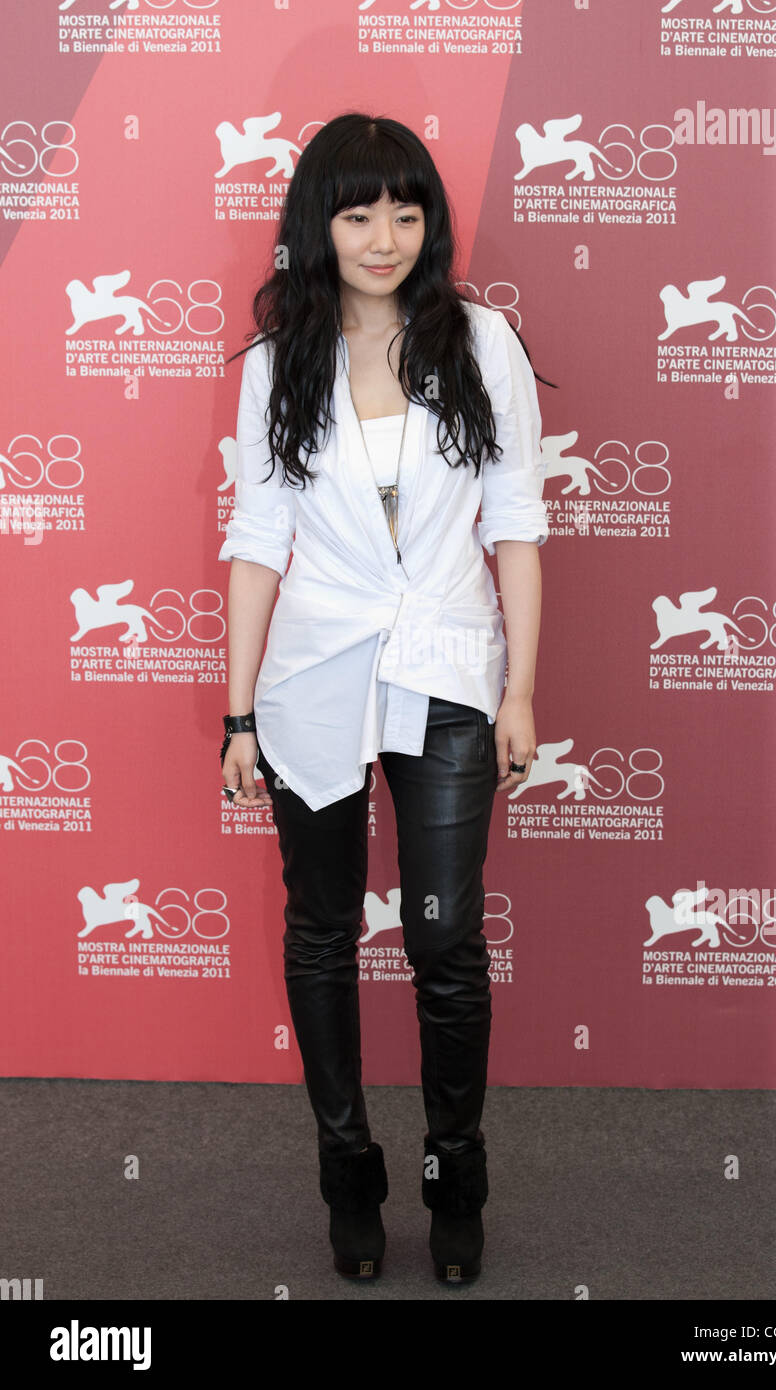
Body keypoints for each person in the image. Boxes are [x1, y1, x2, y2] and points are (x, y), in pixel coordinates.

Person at [217, 112, 552, 1285]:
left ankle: (453, 1170)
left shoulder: (479, 341)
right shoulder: (277, 364)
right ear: (319, 221)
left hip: (450, 669)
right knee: (320, 931)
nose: (383, 236)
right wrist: (239, 712)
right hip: (314, 674)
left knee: (443, 934)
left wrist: (519, 690)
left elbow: (515, 524)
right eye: (358, 212)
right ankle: (346, 1166)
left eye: (405, 212)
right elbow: (257, 541)